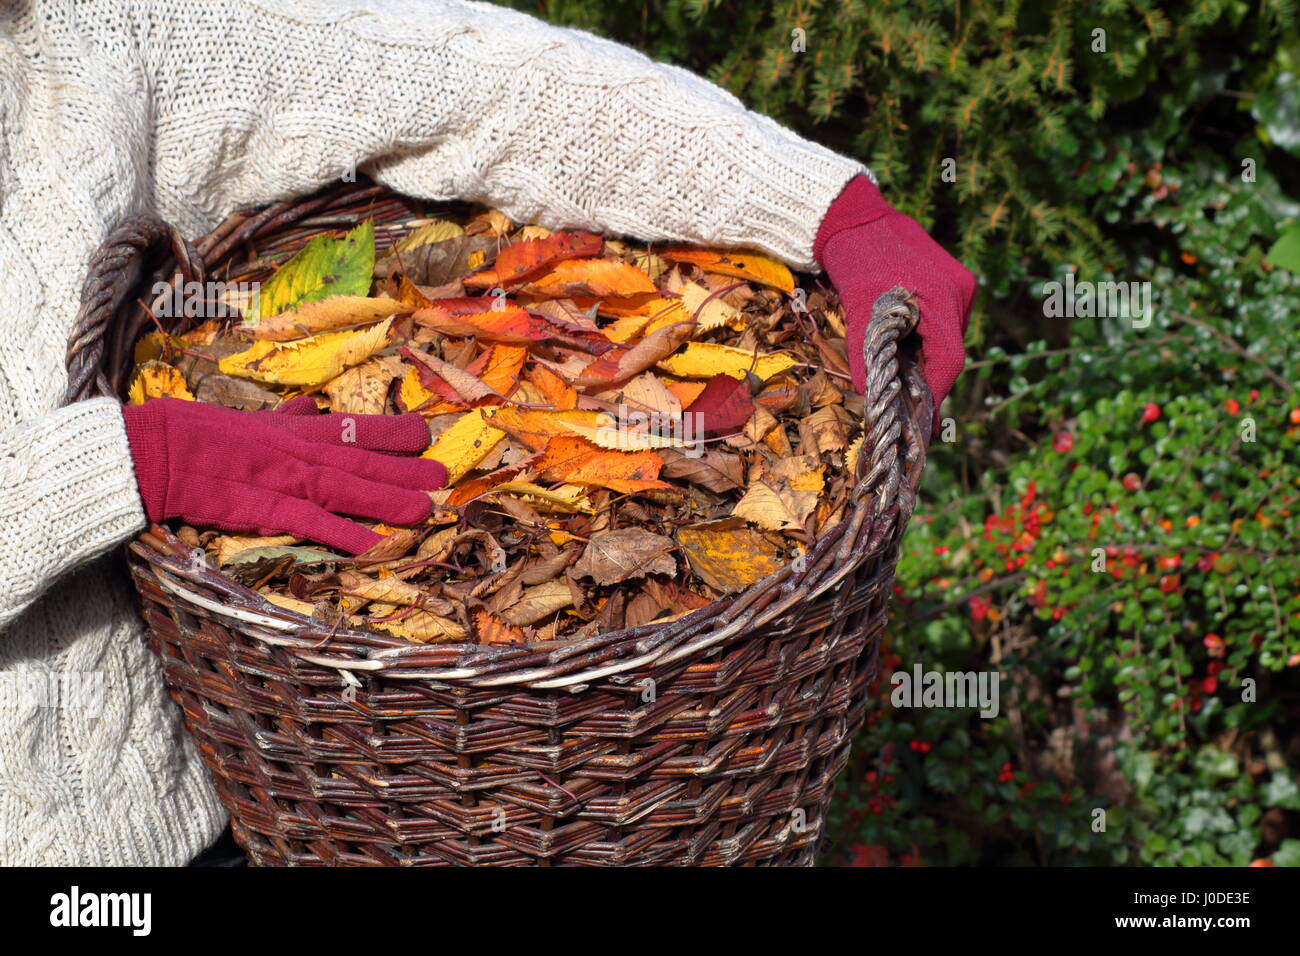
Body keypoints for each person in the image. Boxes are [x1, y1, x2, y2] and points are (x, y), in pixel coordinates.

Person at [0, 0, 975, 865]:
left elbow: (477, 89)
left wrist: (826, 208)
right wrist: (107, 467)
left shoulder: (88, 33)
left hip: (259, 784)